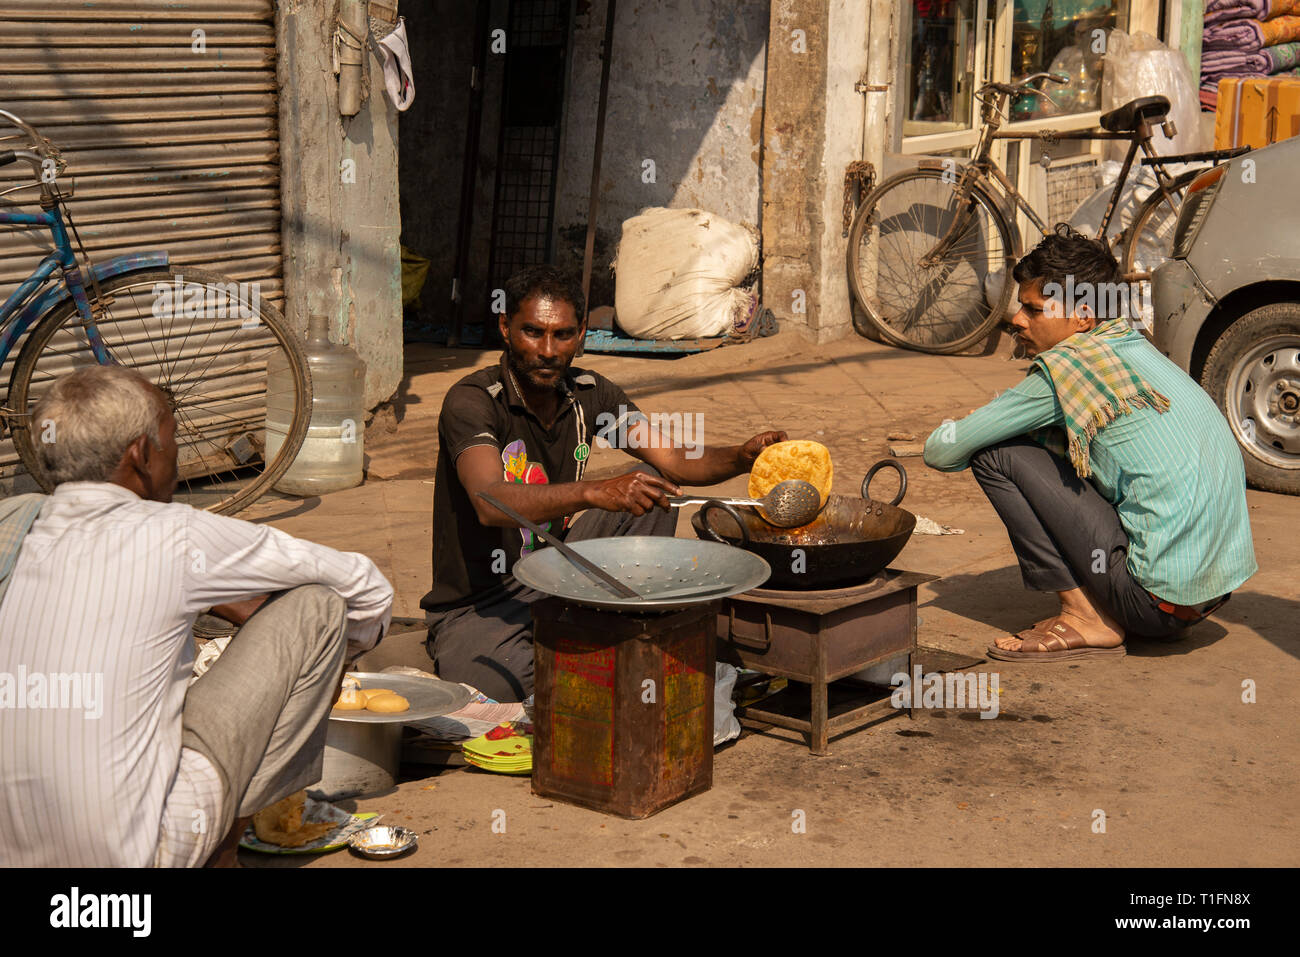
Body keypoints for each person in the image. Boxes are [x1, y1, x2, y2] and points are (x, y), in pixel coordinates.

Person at [0, 365, 393, 866]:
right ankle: (223, 853)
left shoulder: (17, 532)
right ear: (140, 454)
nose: (177, 458)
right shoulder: (176, 534)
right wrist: (325, 668)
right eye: (172, 440)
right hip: (141, 855)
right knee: (318, 608)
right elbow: (367, 589)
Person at [422, 265, 786, 701]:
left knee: (651, 484)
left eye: (563, 335)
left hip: (558, 578)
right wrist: (593, 491)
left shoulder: (590, 393)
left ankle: (603, 642)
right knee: (494, 684)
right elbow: (489, 501)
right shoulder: (473, 401)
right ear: (505, 327)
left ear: (580, 337)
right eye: (532, 332)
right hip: (482, 604)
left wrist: (741, 457)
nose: (547, 350)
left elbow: (673, 459)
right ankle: (605, 654)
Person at [923, 224, 1256, 661]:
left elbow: (940, 450)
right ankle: (1114, 600)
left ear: (1082, 316)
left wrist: (978, 423)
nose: (1017, 320)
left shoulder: (1068, 367)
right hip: (1205, 600)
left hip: (1153, 609)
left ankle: (1084, 616)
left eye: (1033, 309)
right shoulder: (1131, 344)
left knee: (996, 454)